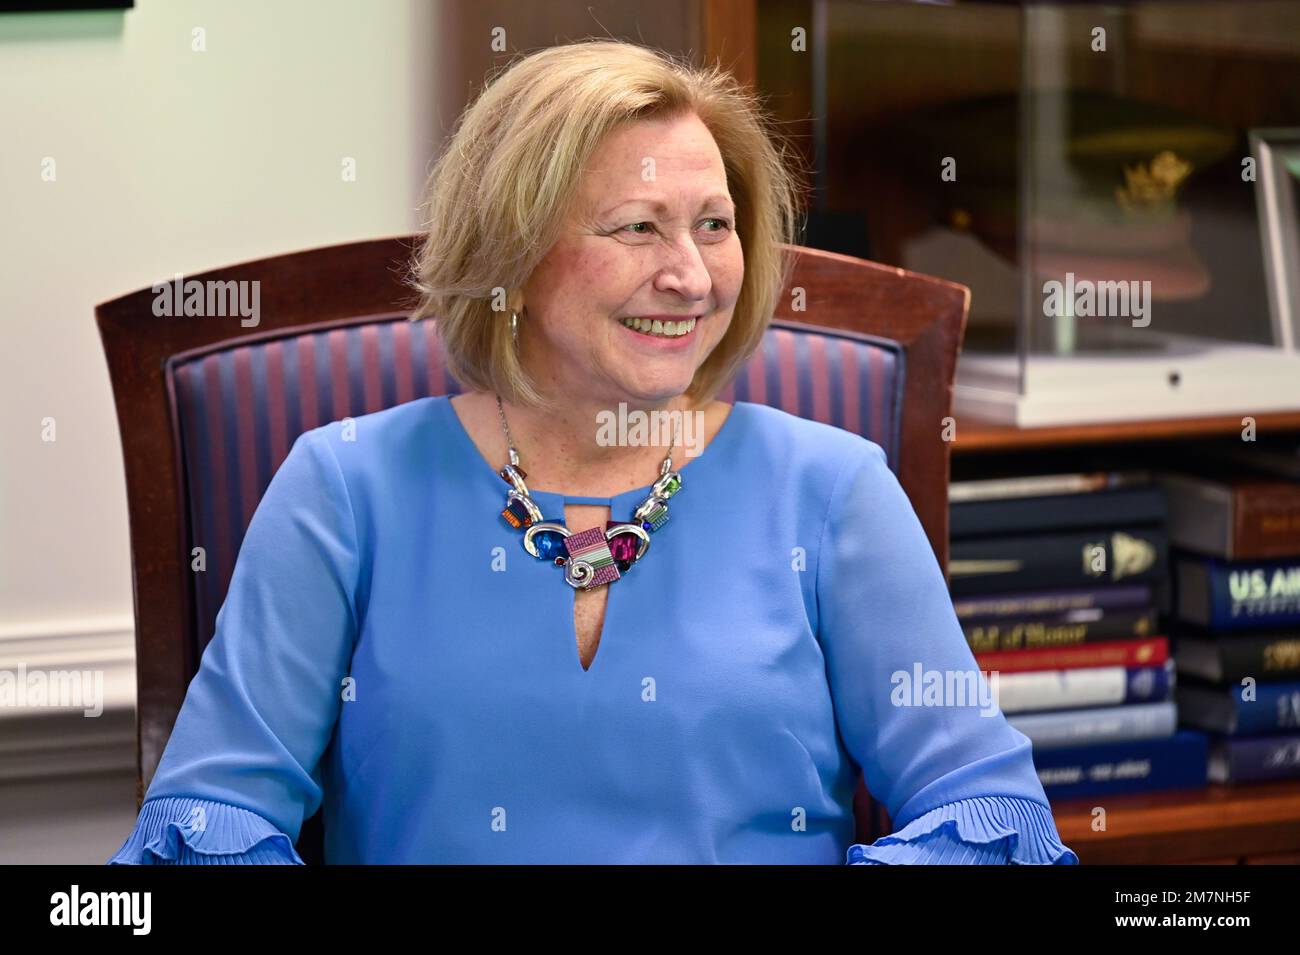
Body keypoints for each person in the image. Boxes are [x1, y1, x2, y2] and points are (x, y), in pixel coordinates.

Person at [108, 39, 1077, 865]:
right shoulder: (344, 487)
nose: (691, 276)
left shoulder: (832, 490)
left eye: (714, 226)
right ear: (514, 257)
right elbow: (213, 818)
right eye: (636, 229)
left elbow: (984, 813)